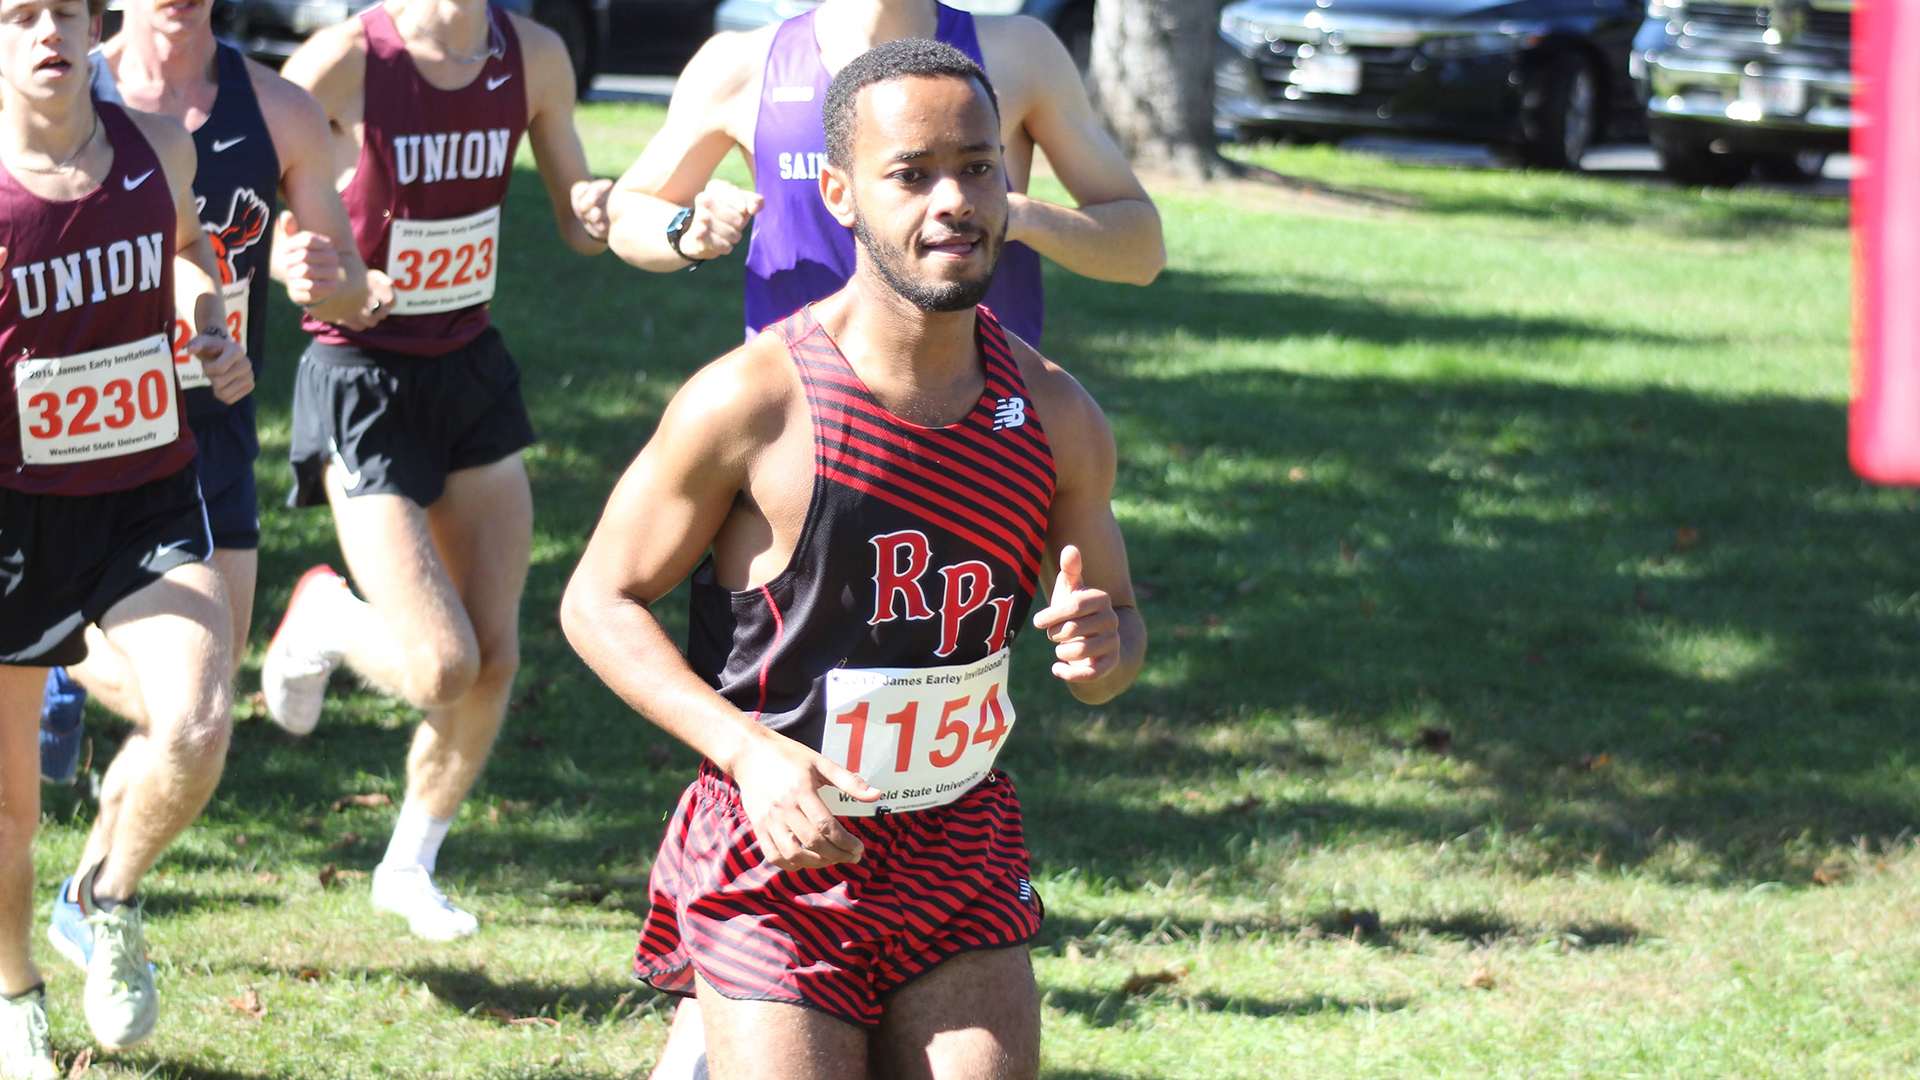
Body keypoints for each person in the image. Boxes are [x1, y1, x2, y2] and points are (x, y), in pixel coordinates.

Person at [563, 39, 1145, 1080]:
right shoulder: (752, 403)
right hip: (777, 854)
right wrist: (745, 751)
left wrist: (1106, 650)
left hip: (960, 850)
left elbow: (1120, 632)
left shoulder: (1056, 414)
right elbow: (597, 600)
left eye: (976, 166)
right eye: (911, 174)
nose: (954, 201)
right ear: (837, 193)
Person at [257, 0, 612, 943]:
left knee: (493, 656)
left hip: (469, 367)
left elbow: (581, 223)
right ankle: (325, 615)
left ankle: (408, 866)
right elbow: (246, 200)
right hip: (360, 372)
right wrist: (298, 258)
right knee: (440, 664)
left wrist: (632, 215)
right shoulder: (346, 59)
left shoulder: (532, 55)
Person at [30, 0, 382, 788]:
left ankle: (60, 652)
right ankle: (53, 643)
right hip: (90, 425)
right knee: (182, 700)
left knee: (210, 683)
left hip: (211, 420)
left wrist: (329, 280)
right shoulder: (62, 97)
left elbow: (346, 282)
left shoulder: (279, 109)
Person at [0, 0, 252, 1064]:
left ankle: (108, 892)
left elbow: (189, 250)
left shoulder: (155, 146)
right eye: (20, 17)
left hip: (143, 486)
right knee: (9, 807)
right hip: (14, 514)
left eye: (64, 11)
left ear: (94, 24)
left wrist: (205, 321)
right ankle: (14, 995)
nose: (47, 33)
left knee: (195, 720)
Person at [605, 0, 1165, 344]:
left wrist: (1013, 213)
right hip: (800, 422)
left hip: (981, 424)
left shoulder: (1018, 54)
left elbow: (1140, 249)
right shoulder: (742, 64)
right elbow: (627, 213)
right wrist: (686, 231)